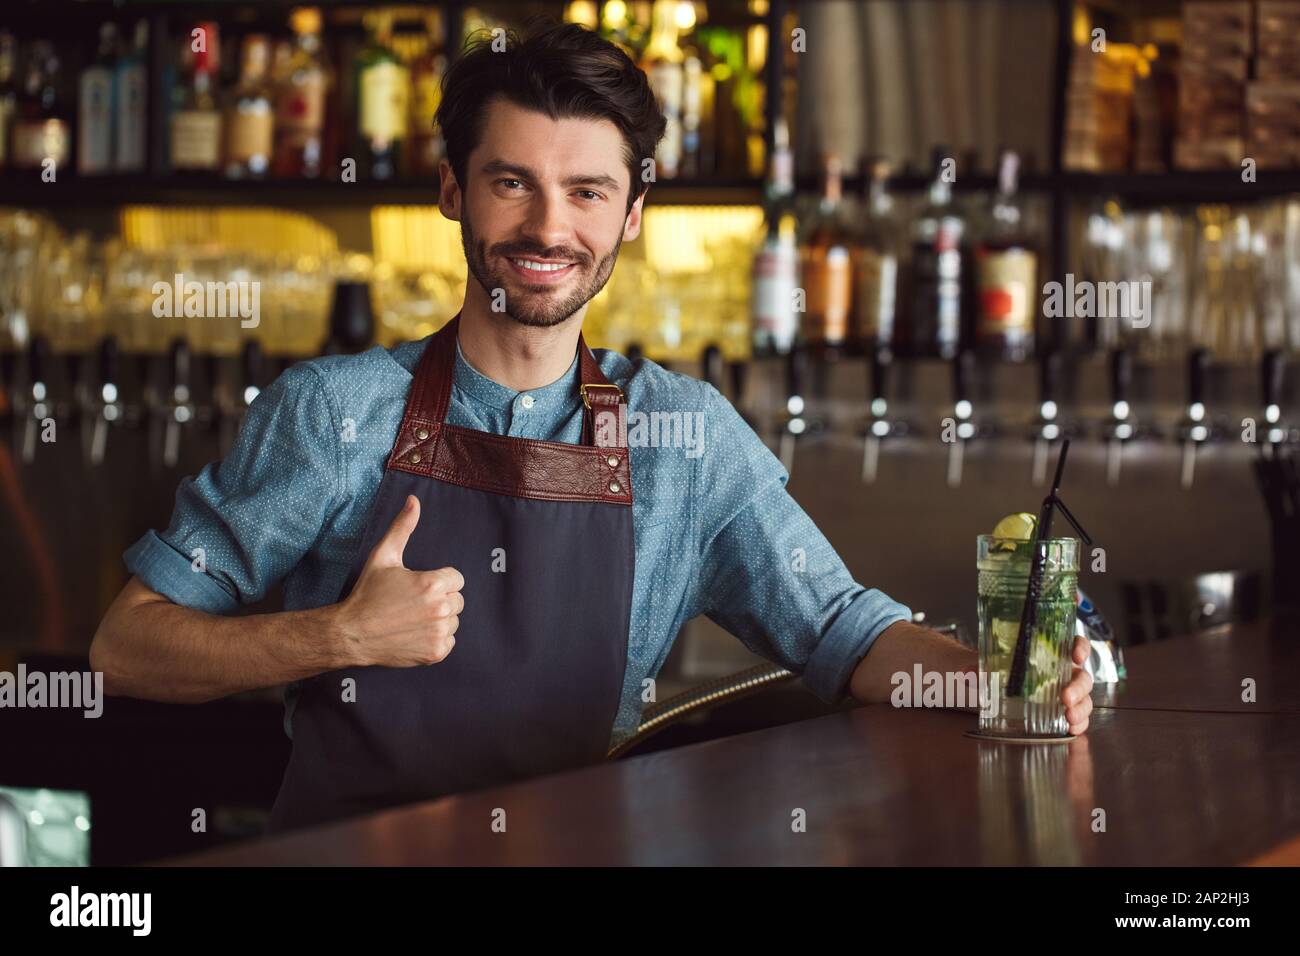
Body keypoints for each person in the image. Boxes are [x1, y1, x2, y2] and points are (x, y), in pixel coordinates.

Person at [91, 18, 1092, 833]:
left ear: (632, 213)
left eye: (586, 191)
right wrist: (336, 634)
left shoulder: (683, 434)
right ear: (453, 188)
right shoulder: (333, 411)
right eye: (511, 180)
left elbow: (841, 630)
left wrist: (1004, 683)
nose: (546, 228)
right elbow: (128, 645)